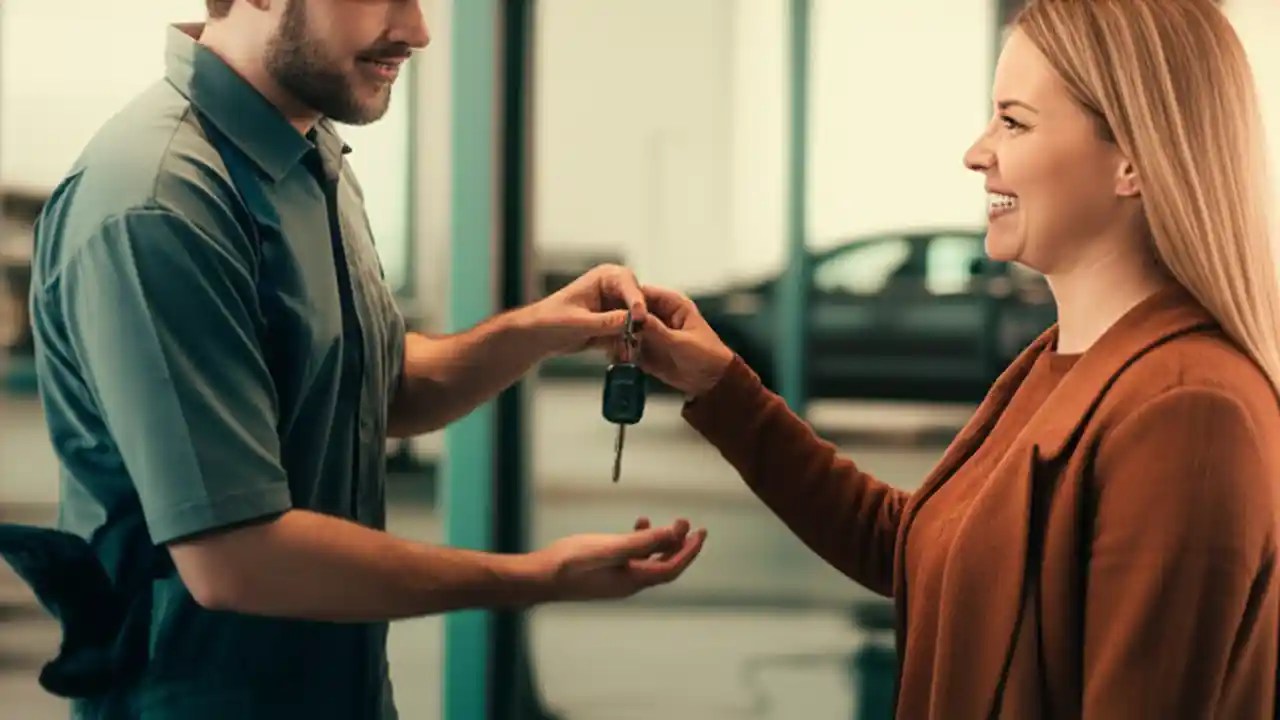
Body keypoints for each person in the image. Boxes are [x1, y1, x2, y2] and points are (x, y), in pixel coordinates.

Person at [20, 1, 705, 718]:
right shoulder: (158, 206)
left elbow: (374, 390)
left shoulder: (306, 153)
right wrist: (535, 578)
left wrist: (540, 331)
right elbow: (235, 559)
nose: (417, 31)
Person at [631, 0, 1280, 716]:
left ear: (1132, 159)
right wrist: (718, 385)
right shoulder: (1062, 365)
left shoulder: (1188, 412)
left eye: (1014, 122)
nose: (977, 152)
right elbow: (920, 548)